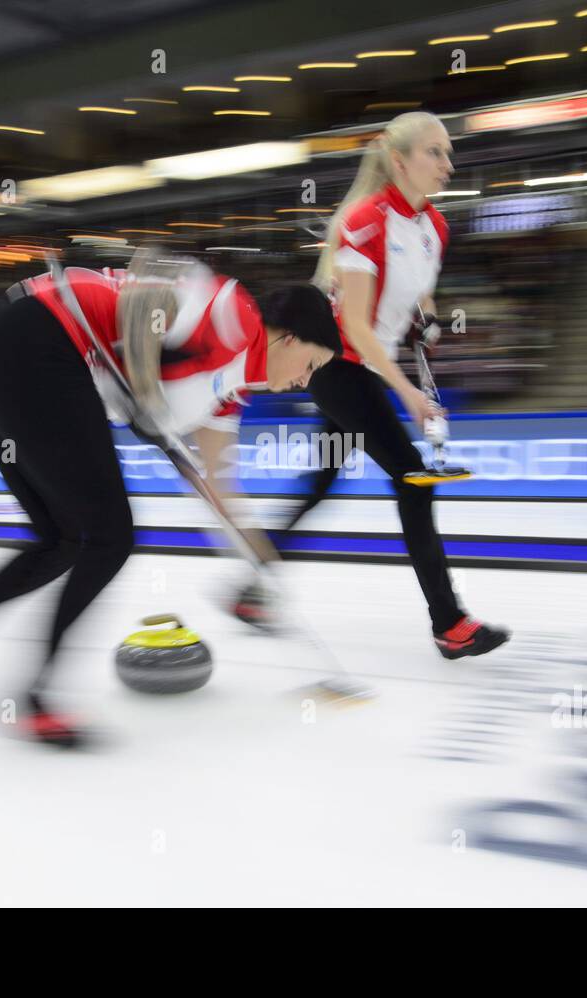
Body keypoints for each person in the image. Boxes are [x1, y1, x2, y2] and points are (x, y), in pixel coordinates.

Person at [0, 261, 340, 747]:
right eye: (312, 366)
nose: (304, 382)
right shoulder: (235, 314)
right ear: (291, 339)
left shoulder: (232, 392)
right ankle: (36, 697)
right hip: (35, 338)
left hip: (7, 352)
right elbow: (150, 296)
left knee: (63, 540)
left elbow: (219, 486)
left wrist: (259, 559)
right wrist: (146, 393)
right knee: (108, 538)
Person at [233, 111, 509, 660]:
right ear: (400, 160)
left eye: (449, 153)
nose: (446, 164)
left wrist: (426, 319)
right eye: (435, 152)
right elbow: (356, 325)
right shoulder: (365, 221)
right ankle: (448, 624)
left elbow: (419, 294)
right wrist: (408, 393)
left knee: (319, 484)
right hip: (338, 368)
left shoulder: (436, 226)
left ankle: (250, 594)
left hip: (370, 367)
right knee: (414, 480)